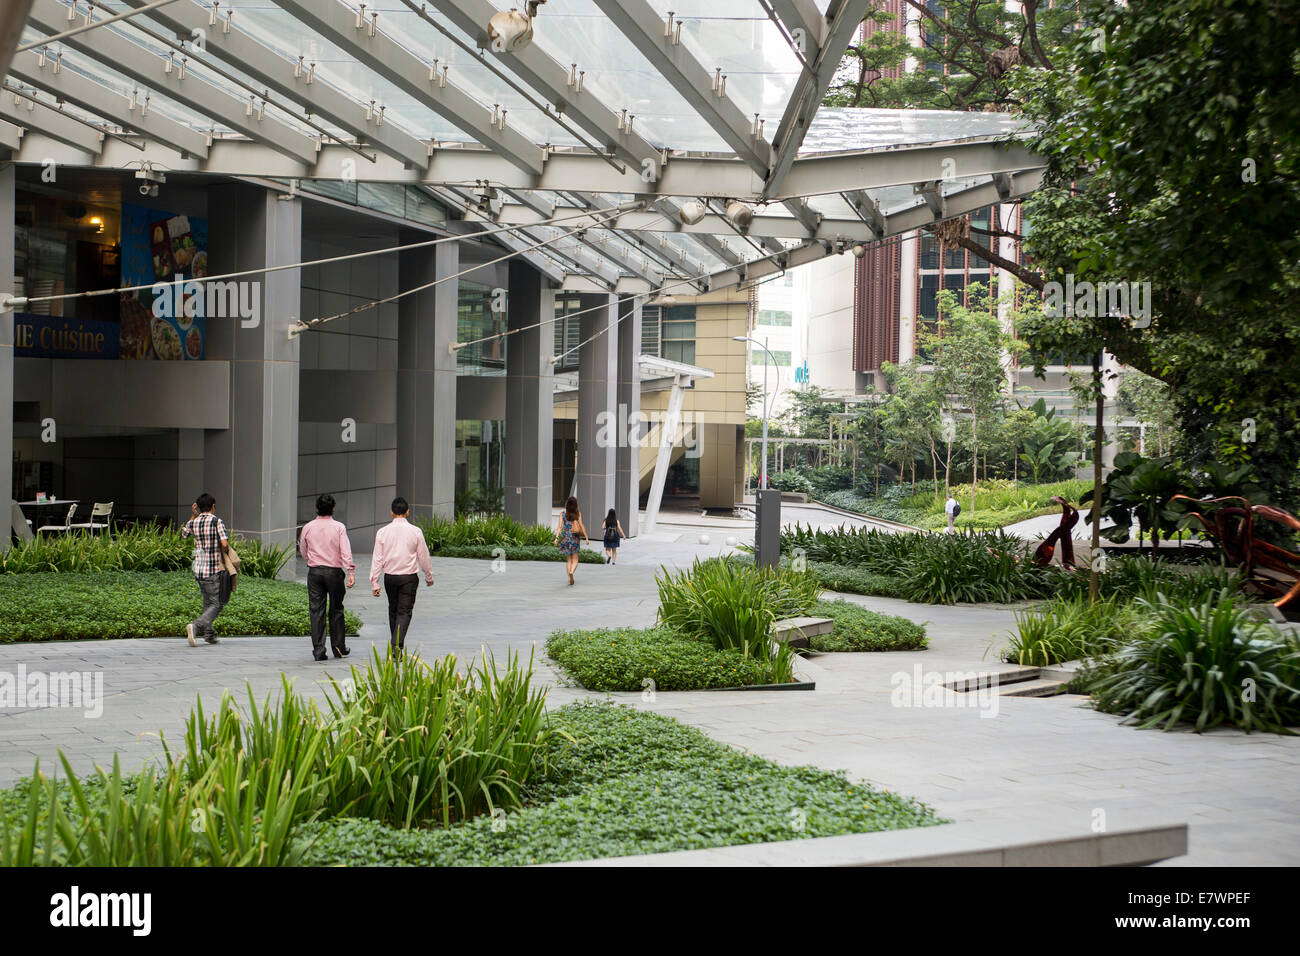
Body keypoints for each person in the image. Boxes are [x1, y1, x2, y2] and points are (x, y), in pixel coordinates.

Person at [370, 497, 434, 653]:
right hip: (409, 578)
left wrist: (374, 581)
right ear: (407, 512)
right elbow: (423, 555)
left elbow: (377, 558)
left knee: (393, 609)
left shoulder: (382, 532)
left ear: (391, 512)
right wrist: (429, 575)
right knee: (404, 611)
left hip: (390, 577)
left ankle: (396, 645)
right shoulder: (416, 531)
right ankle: (396, 644)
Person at [297, 494, 355, 661]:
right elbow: (345, 551)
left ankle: (319, 650)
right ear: (333, 508)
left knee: (316, 610)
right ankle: (338, 648)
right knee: (336, 609)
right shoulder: (339, 527)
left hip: (314, 572)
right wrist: (350, 571)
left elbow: (303, 549)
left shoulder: (308, 527)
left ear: (317, 508)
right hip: (334, 572)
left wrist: (311, 559)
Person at [181, 493, 229, 647]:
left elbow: (184, 535)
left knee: (208, 601)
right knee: (217, 603)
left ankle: (208, 634)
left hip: (198, 569)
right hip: (213, 568)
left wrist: (193, 515)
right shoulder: (216, 521)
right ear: (213, 506)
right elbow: (224, 544)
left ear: (199, 507)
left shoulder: (193, 522)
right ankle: (196, 626)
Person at [554, 496, 587, 586]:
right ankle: (572, 571)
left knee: (568, 560)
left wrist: (556, 538)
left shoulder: (562, 514)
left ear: (567, 504)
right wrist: (586, 538)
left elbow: (559, 527)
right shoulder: (578, 514)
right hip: (574, 538)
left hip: (565, 538)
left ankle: (570, 579)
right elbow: (581, 525)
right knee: (575, 559)